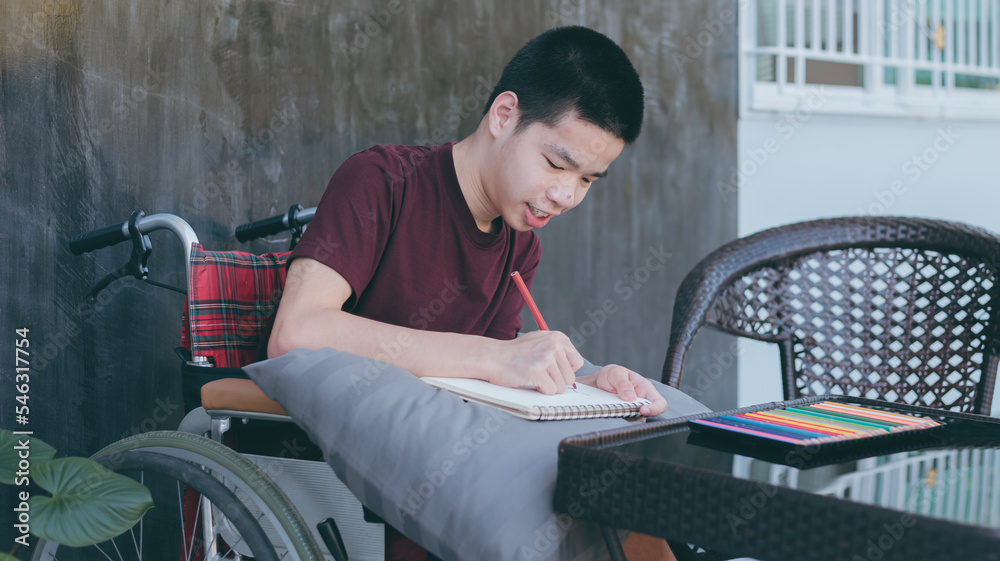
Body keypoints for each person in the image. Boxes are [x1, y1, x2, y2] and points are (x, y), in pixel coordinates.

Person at [266, 26, 678, 560]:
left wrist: (586, 387)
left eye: (588, 180)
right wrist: (494, 356)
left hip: (452, 454)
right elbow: (296, 332)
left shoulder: (520, 244)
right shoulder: (383, 182)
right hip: (355, 452)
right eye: (556, 165)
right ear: (503, 115)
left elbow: (491, 390)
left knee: (632, 454)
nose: (565, 195)